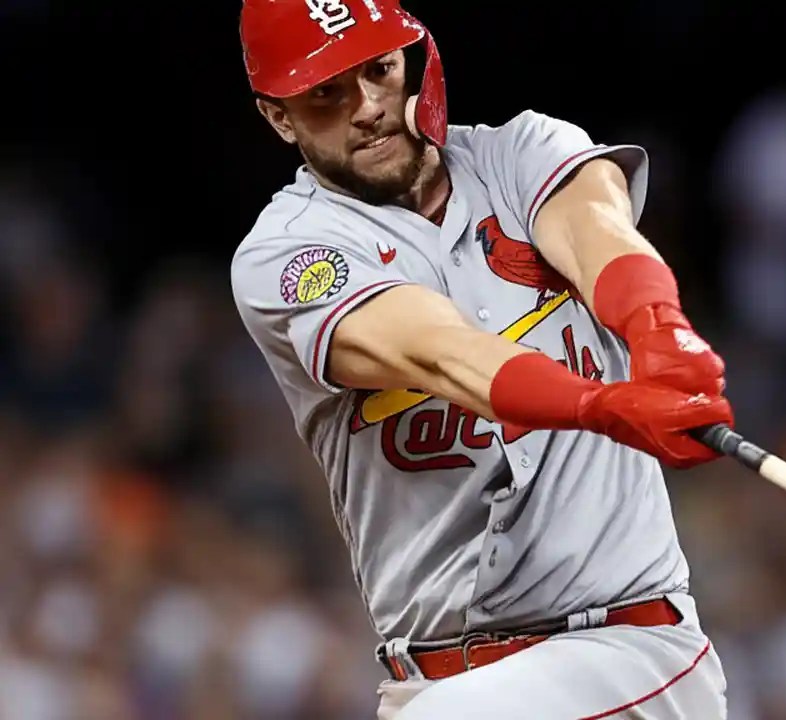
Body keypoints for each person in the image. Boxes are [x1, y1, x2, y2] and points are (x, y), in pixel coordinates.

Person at [228, 1, 735, 718]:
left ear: (414, 60)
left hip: (624, 651)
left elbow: (597, 231)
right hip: (429, 681)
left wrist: (659, 326)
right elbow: (440, 353)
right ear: (279, 117)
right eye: (326, 94)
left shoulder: (522, 153)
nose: (367, 107)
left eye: (379, 70)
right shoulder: (285, 254)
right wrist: (597, 404)